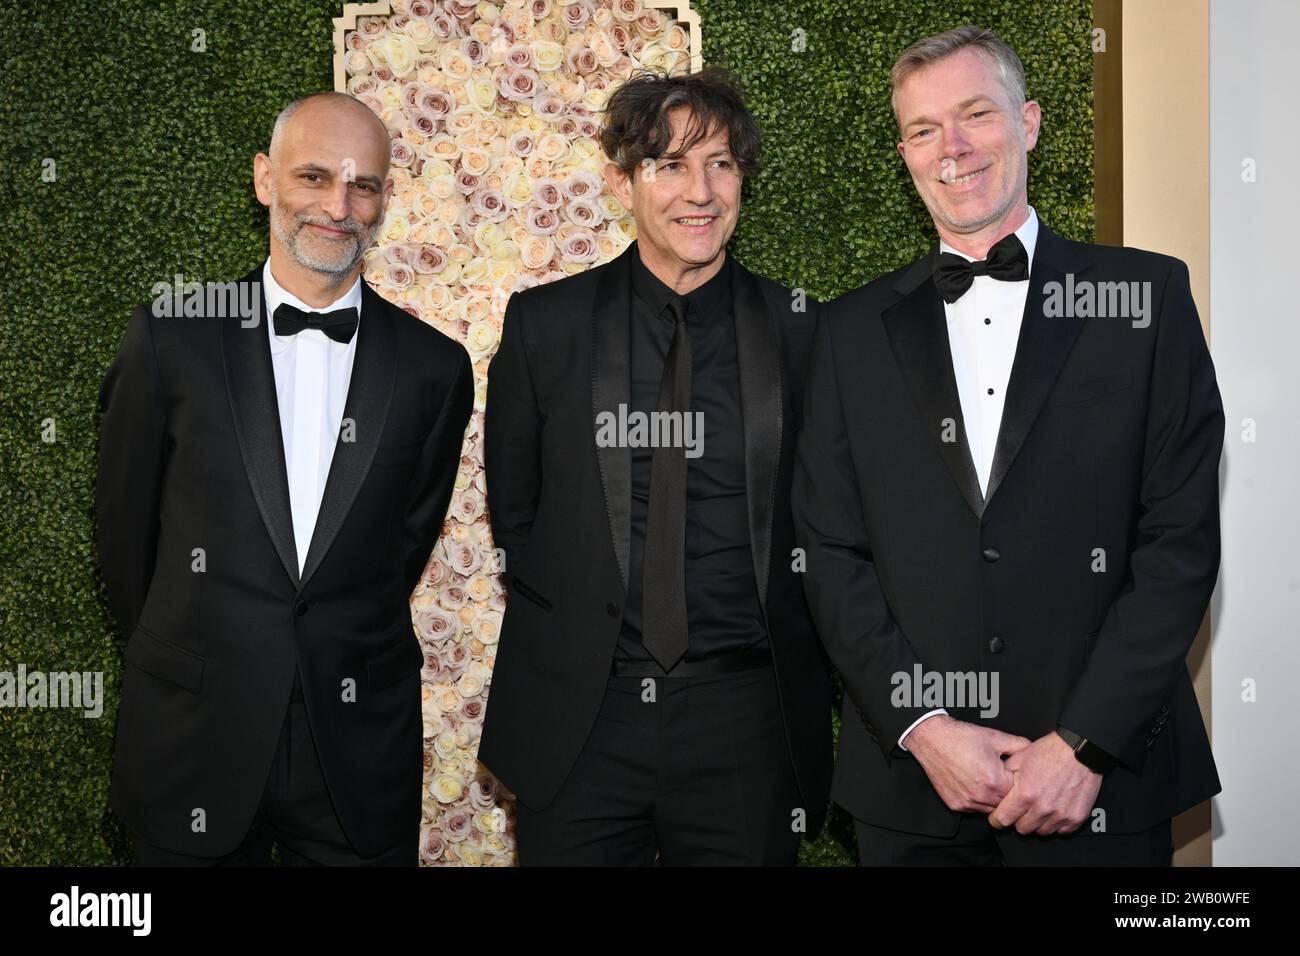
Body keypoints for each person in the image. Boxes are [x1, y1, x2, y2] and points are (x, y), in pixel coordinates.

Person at [793, 26, 1224, 865]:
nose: (950, 149)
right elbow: (829, 550)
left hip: (1105, 785)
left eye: (975, 115)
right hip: (914, 792)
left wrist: (1085, 744)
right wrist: (922, 725)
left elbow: (1179, 543)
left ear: (1027, 122)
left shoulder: (1148, 298)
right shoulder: (848, 333)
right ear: (904, 153)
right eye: (923, 130)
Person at [97, 91, 473, 865]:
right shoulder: (172, 337)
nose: (339, 206)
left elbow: (401, 546)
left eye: (363, 184)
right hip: (193, 734)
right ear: (265, 179)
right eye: (313, 177)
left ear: (383, 199)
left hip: (354, 748)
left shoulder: (435, 368)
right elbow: (124, 541)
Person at [478, 68, 832, 865]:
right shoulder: (546, 326)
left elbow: (828, 522)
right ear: (624, 182)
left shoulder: (806, 331)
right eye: (669, 165)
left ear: (744, 177)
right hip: (582, 721)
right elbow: (520, 515)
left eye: (721, 163)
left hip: (746, 721)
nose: (698, 191)